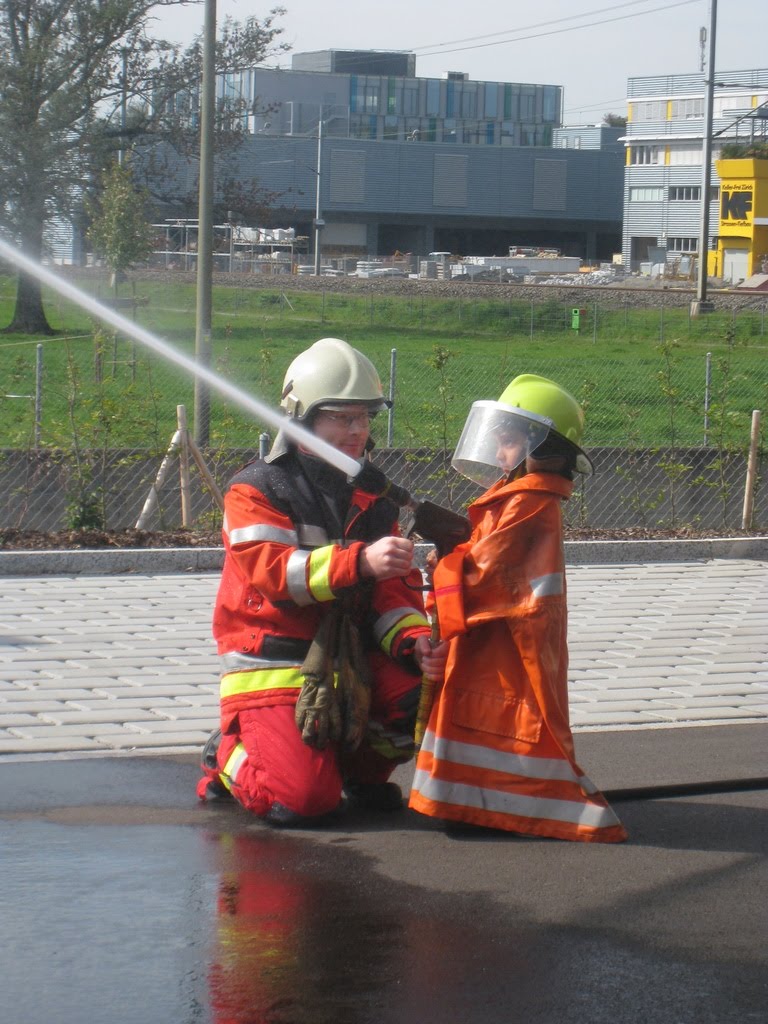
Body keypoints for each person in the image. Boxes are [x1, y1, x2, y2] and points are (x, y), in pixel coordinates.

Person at [198, 337, 445, 826]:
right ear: (303, 418)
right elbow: (275, 574)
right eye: (341, 417)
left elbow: (392, 593)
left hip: (348, 651)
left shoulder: (374, 495)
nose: (357, 430)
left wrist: (414, 642)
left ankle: (360, 773)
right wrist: (360, 562)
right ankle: (226, 755)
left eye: (365, 418)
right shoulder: (258, 488)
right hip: (276, 657)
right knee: (301, 803)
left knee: (427, 690)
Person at [409, 374, 628, 842]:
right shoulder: (519, 496)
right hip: (500, 636)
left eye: (509, 441)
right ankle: (474, 802)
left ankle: (506, 807)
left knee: (507, 719)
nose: (500, 450)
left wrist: (446, 560)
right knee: (490, 719)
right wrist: (456, 548)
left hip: (510, 641)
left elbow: (487, 576)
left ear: (540, 446)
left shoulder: (530, 501)